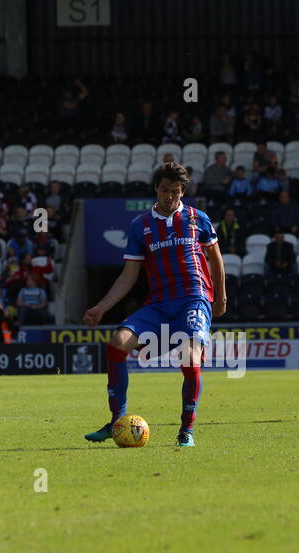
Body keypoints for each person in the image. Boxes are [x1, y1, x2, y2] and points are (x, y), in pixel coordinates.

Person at [82, 162, 226, 448]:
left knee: (190, 358)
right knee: (117, 342)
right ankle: (116, 422)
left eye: (174, 191)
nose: (168, 197)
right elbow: (129, 275)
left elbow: (216, 260)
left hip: (193, 299)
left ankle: (187, 428)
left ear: (183, 191)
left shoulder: (199, 219)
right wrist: (101, 307)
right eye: (163, 190)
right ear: (155, 189)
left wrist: (220, 297)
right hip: (159, 304)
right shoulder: (141, 226)